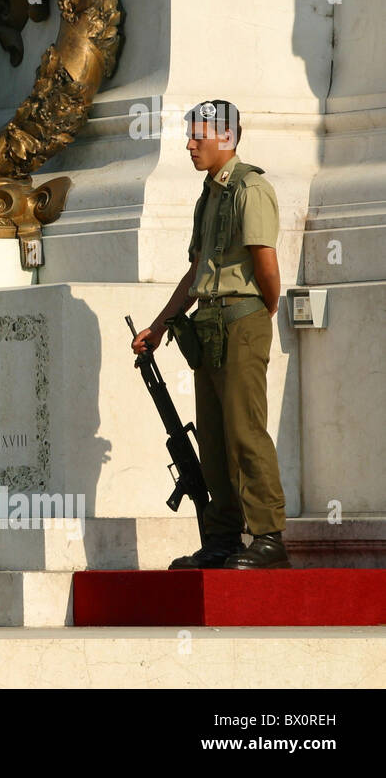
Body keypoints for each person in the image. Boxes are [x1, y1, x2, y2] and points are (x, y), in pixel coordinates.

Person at [132, 100, 288, 569]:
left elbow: (266, 265)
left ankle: (269, 538)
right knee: (215, 437)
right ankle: (222, 537)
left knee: (245, 431)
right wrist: (158, 327)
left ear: (227, 138)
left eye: (199, 135)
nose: (190, 144)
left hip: (241, 319)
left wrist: (263, 310)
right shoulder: (210, 193)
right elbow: (196, 271)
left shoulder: (250, 188)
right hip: (209, 325)